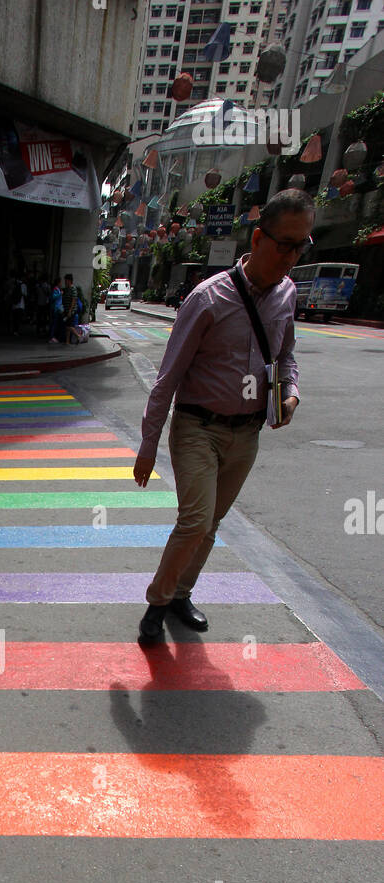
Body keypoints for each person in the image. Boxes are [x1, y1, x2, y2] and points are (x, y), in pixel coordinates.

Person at [134, 188, 313, 644]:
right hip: (197, 426)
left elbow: (286, 356)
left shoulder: (287, 294)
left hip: (247, 434)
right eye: (285, 244)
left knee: (211, 525)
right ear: (257, 239)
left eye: (302, 246)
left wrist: (290, 394)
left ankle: (180, 594)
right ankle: (156, 604)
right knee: (195, 520)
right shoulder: (207, 299)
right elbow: (168, 375)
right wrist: (149, 445)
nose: (292, 256)